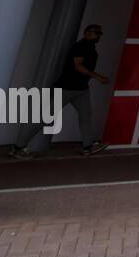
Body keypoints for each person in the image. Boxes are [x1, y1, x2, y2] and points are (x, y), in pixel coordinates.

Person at [9, 24, 110, 158]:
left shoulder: (91, 48)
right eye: (96, 33)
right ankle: (18, 147)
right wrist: (97, 77)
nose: (99, 36)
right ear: (87, 33)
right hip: (66, 88)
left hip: (81, 89)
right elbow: (78, 66)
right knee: (45, 118)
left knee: (85, 116)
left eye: (100, 33)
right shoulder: (79, 47)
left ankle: (88, 146)